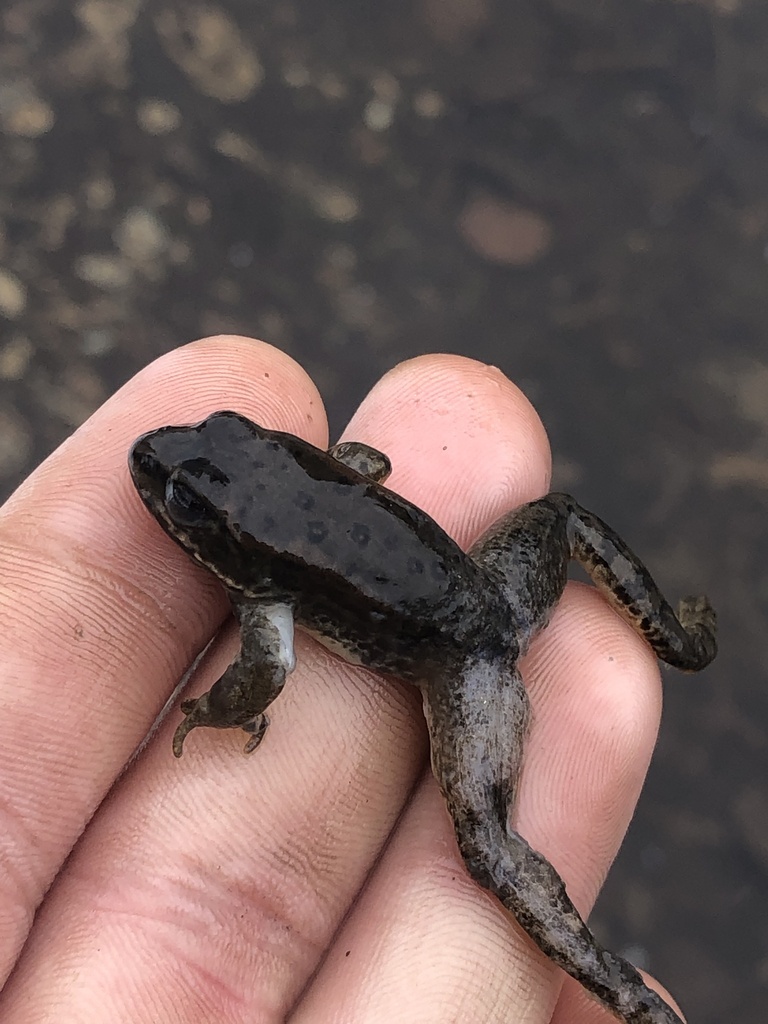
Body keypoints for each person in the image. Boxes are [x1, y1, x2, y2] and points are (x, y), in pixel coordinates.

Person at [0, 337, 683, 1021]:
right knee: (561, 518)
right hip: (493, 587)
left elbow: (266, 671)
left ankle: (627, 998)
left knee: (488, 847)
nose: (165, 453)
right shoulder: (332, 476)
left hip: (465, 668)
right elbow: (372, 464)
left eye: (186, 499)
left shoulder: (265, 592)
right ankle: (680, 641)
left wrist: (211, 708)